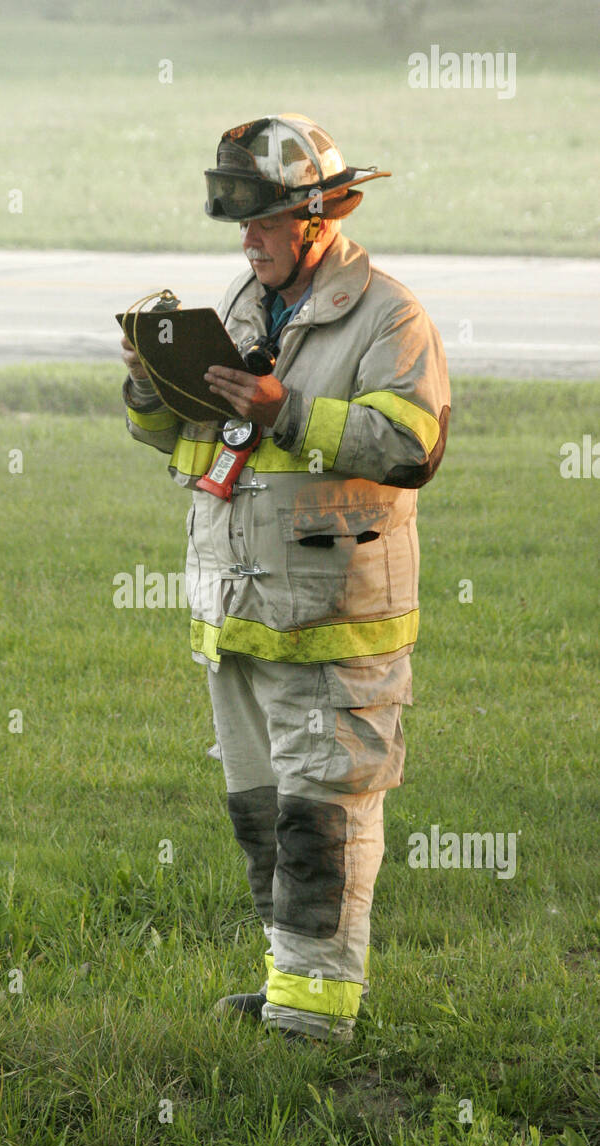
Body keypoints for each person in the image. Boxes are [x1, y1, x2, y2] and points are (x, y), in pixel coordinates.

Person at [120, 113, 449, 1044]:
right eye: (242, 223)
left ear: (315, 218)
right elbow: (191, 442)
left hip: (334, 615)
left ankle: (315, 1015)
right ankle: (289, 982)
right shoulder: (239, 302)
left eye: (263, 221)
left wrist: (290, 409)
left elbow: (411, 446)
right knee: (263, 809)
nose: (247, 239)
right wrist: (151, 388)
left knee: (324, 812)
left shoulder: (388, 314)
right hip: (242, 611)